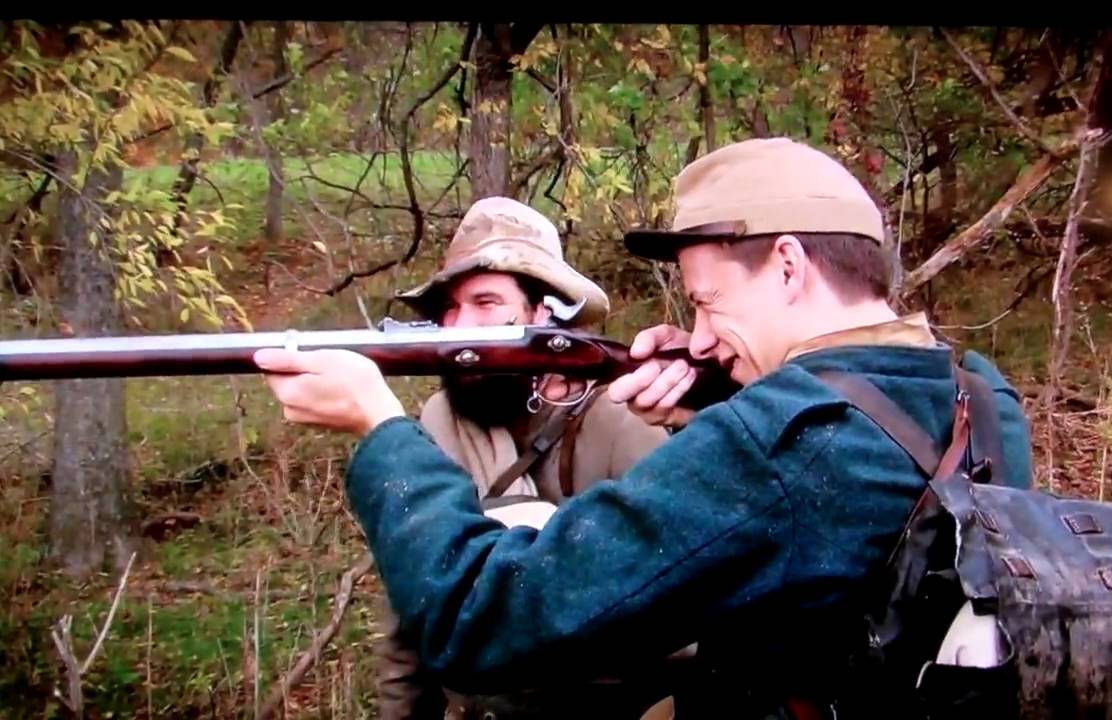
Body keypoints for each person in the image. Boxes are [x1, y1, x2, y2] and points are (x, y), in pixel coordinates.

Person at [254, 138, 1035, 718]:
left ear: (790, 266)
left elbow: (483, 617)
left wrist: (380, 429)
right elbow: (841, 497)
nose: (695, 335)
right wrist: (722, 386)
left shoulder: (779, 450)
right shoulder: (976, 391)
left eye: (704, 302)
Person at [372, 196, 673, 719]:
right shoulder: (442, 420)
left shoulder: (622, 420)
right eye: (451, 308)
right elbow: (411, 605)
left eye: (486, 303)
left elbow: (683, 617)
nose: (461, 326)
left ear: (543, 314)